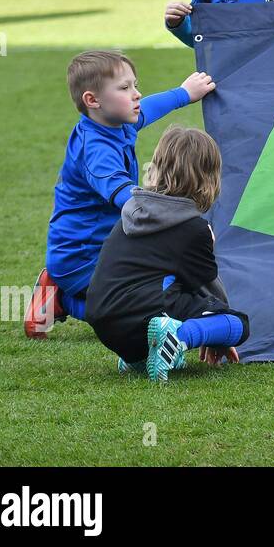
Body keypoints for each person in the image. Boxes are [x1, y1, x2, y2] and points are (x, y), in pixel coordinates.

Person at [23, 52, 216, 338]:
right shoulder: (96, 151)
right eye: (124, 88)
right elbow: (126, 197)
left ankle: (61, 291)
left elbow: (148, 107)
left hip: (106, 248)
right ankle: (59, 297)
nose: (136, 94)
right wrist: (178, 219)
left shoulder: (117, 122)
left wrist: (184, 93)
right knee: (122, 309)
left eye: (135, 85)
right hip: (81, 255)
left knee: (140, 294)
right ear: (93, 101)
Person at [86, 127, 249, 381]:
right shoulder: (194, 228)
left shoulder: (131, 213)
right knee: (239, 323)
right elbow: (207, 285)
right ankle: (177, 337)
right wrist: (216, 325)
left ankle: (138, 359)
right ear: (209, 178)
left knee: (166, 285)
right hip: (143, 316)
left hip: (104, 323)